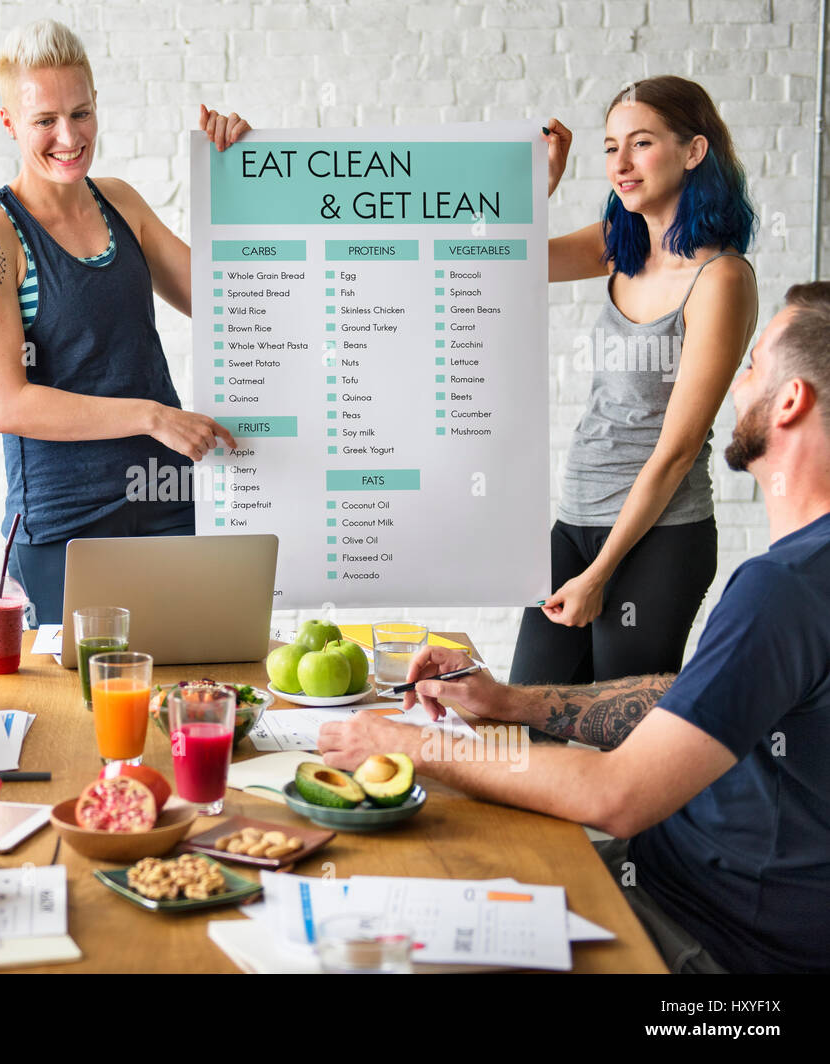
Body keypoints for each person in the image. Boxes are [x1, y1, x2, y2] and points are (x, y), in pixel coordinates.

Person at [319, 284, 830, 974]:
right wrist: (511, 703)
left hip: (704, 939)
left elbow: (614, 796)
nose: (736, 383)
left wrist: (401, 741)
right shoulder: (804, 574)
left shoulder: (785, 588)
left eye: (753, 364)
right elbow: (686, 705)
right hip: (673, 885)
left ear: (791, 401)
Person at [0, 19, 248, 622]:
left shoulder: (120, 201)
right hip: (67, 527)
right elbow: (6, 403)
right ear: (9, 122)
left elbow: (227, 304)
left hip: (169, 502)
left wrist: (239, 178)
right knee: (79, 708)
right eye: (44, 121)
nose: (69, 136)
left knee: (190, 693)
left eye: (81, 113)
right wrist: (151, 415)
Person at [511, 77, 759, 693]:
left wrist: (600, 574)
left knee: (621, 739)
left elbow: (676, 450)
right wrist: (541, 186)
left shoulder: (720, 279)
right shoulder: (619, 246)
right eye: (610, 146)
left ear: (693, 151)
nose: (620, 163)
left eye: (641, 143)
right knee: (521, 722)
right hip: (575, 519)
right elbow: (504, 262)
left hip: (661, 536)